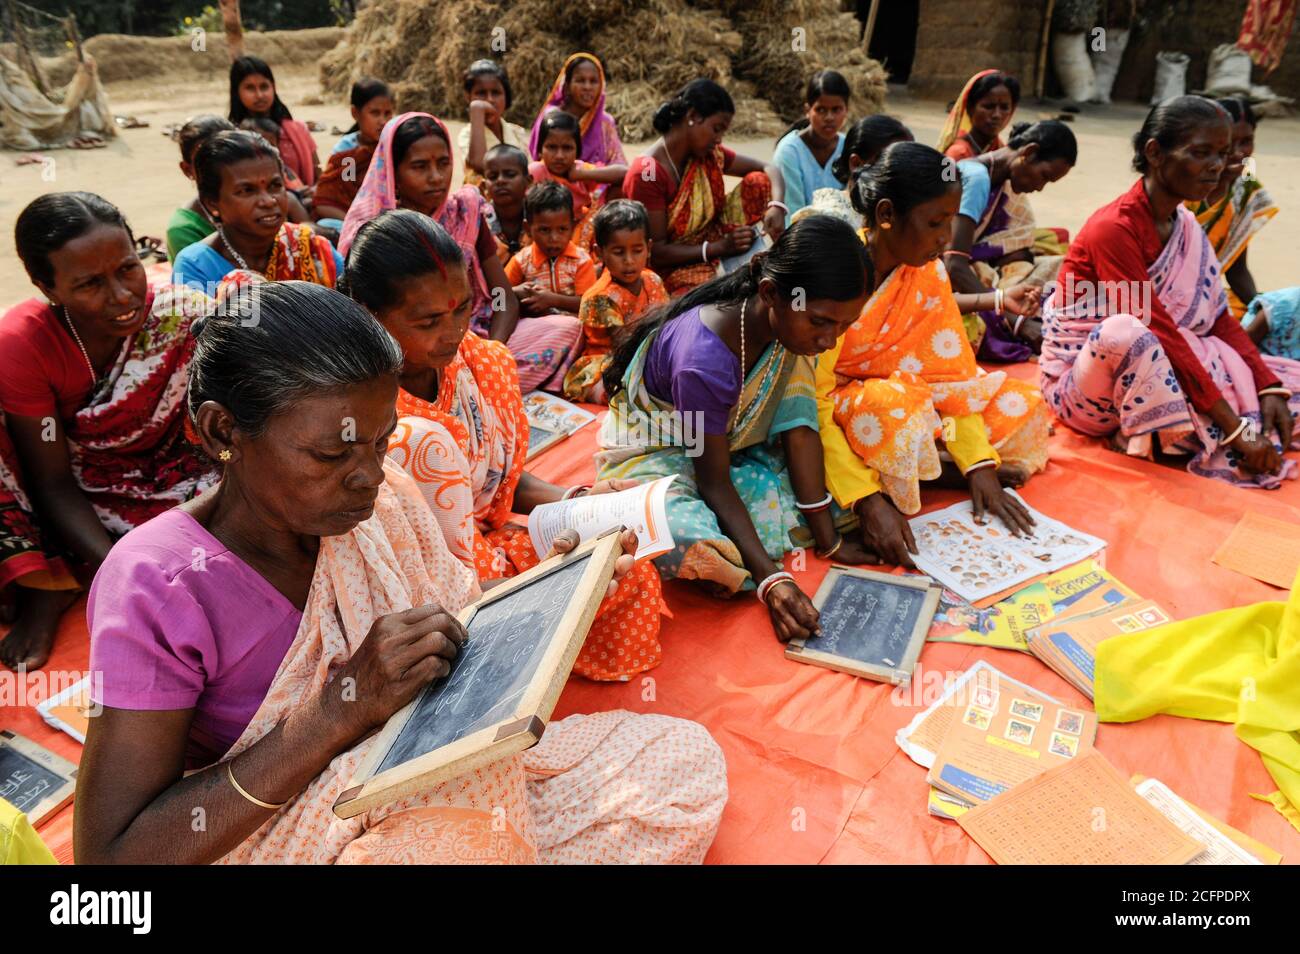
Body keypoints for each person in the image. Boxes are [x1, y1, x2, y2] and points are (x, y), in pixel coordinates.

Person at [75, 280, 726, 864]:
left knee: (680, 765)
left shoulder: (382, 502)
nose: (367, 477)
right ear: (222, 431)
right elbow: (113, 856)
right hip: (286, 830)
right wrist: (335, 712)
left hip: (431, 786)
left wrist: (552, 594)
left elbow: (449, 619)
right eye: (332, 453)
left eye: (382, 441)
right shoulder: (157, 583)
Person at [344, 210, 667, 681]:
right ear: (371, 316)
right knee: (552, 595)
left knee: (621, 559)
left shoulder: (479, 363)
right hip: (421, 589)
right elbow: (394, 560)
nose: (454, 331)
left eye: (461, 309)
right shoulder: (365, 411)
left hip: (487, 550)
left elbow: (501, 484)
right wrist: (534, 582)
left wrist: (578, 501)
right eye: (430, 320)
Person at [598, 216, 876, 643]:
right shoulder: (703, 361)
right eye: (822, 322)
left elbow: (799, 428)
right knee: (680, 533)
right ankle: (749, 559)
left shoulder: (791, 329)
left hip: (732, 447)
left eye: (843, 325)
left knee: (860, 482)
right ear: (770, 294)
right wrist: (773, 582)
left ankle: (764, 545)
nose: (831, 340)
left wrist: (827, 539)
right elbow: (713, 481)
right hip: (661, 455)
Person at [0, 193, 216, 670]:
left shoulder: (177, 315)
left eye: (128, 268)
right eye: (90, 284)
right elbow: (50, 481)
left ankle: (76, 567)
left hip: (169, 473)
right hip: (69, 485)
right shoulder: (24, 344)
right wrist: (120, 571)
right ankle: (45, 581)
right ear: (47, 286)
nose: (122, 295)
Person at [1040, 96, 1300, 488]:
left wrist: (1267, 383)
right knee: (1127, 331)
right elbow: (1156, 333)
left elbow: (1216, 320)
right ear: (1155, 153)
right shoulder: (1113, 229)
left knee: (1282, 388)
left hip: (1162, 364)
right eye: (1201, 153)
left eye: (1222, 154)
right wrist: (1236, 431)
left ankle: (1174, 428)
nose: (1216, 166)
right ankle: (1154, 432)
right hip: (1086, 391)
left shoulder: (1185, 225)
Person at [816, 143, 1049, 568]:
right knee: (896, 410)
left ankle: (945, 464)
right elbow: (809, 398)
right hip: (842, 405)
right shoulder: (832, 266)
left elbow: (951, 378)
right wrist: (864, 501)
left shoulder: (927, 271)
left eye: (951, 222)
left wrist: (979, 465)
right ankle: (925, 471)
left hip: (913, 394)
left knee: (1021, 407)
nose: (946, 239)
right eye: (935, 223)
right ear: (886, 215)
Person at [339, 112, 581, 393]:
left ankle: (481, 387)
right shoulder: (372, 234)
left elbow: (503, 298)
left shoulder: (466, 211)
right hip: (411, 353)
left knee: (566, 329)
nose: (436, 177)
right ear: (394, 171)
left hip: (472, 334)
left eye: (443, 164)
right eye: (420, 167)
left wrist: (492, 353)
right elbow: (366, 326)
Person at [623, 79, 788, 295]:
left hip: (715, 243)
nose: (719, 140)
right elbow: (657, 252)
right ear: (692, 116)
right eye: (716, 129)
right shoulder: (647, 172)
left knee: (758, 182)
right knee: (713, 298)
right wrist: (719, 248)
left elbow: (768, 167)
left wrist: (776, 206)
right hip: (673, 266)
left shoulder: (707, 155)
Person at [944, 120, 1078, 360]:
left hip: (963, 268)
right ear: (1028, 153)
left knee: (1057, 261)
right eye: (1044, 176)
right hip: (939, 274)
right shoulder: (977, 180)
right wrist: (1016, 321)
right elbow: (953, 265)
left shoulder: (993, 175)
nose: (1040, 188)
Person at [171, 131, 344, 292]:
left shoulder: (310, 246)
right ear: (212, 204)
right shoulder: (196, 267)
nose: (269, 201)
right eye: (246, 190)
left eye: (275, 186)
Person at [564, 200, 668, 404]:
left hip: (649, 353)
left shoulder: (653, 280)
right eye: (619, 252)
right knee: (617, 392)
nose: (629, 260)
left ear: (648, 247)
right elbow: (624, 347)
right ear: (600, 252)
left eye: (637, 250)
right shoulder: (600, 297)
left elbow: (668, 323)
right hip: (610, 362)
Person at [503, 184, 593, 377]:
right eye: (544, 230)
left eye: (562, 229)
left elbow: (590, 304)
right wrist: (517, 292)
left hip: (573, 340)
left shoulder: (581, 261)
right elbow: (498, 296)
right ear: (528, 228)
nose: (554, 238)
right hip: (536, 336)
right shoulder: (521, 261)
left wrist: (552, 300)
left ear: (573, 226)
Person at [790, 114, 913, 230]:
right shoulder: (830, 221)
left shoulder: (895, 214)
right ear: (856, 163)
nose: (904, 172)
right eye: (893, 163)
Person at [529, 110, 627, 248]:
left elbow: (624, 173)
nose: (559, 156)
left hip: (579, 231)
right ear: (540, 150)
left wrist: (580, 175)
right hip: (546, 232)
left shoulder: (580, 170)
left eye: (567, 148)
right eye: (552, 147)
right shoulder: (535, 172)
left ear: (578, 151)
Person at [227, 56, 319, 189]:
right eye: (250, 88)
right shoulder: (232, 139)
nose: (259, 95)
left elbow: (319, 175)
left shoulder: (298, 130)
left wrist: (312, 192)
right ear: (237, 92)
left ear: (273, 87)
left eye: (264, 87)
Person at [771, 70, 850, 224]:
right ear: (808, 110)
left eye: (836, 110)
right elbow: (793, 215)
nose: (829, 118)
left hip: (842, 235)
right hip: (801, 237)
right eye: (821, 110)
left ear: (846, 110)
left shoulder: (849, 147)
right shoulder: (789, 152)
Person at [314, 79, 394, 222]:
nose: (383, 121)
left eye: (387, 113)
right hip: (353, 216)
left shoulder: (395, 145)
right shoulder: (348, 153)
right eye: (375, 113)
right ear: (355, 113)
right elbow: (345, 191)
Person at [527, 53, 626, 168]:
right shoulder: (552, 118)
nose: (587, 87)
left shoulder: (605, 122)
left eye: (593, 81)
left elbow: (619, 164)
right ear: (567, 86)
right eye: (580, 80)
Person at [166, 115, 234, 261]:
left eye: (231, 157)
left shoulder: (265, 202)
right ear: (187, 169)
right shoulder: (183, 229)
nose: (221, 168)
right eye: (207, 162)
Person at [459, 60, 528, 188]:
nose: (489, 99)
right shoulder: (467, 134)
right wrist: (477, 111)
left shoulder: (517, 132)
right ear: (468, 97)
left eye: (496, 93)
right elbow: (480, 164)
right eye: (481, 93)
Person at [937, 70, 1020, 161]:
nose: (997, 115)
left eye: (1004, 108)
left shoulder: (1001, 149)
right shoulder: (957, 153)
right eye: (989, 107)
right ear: (970, 108)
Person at [482, 143, 533, 264]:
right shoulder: (479, 222)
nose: (500, 180)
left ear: (528, 181)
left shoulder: (540, 217)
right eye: (493, 176)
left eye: (510, 174)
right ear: (484, 186)